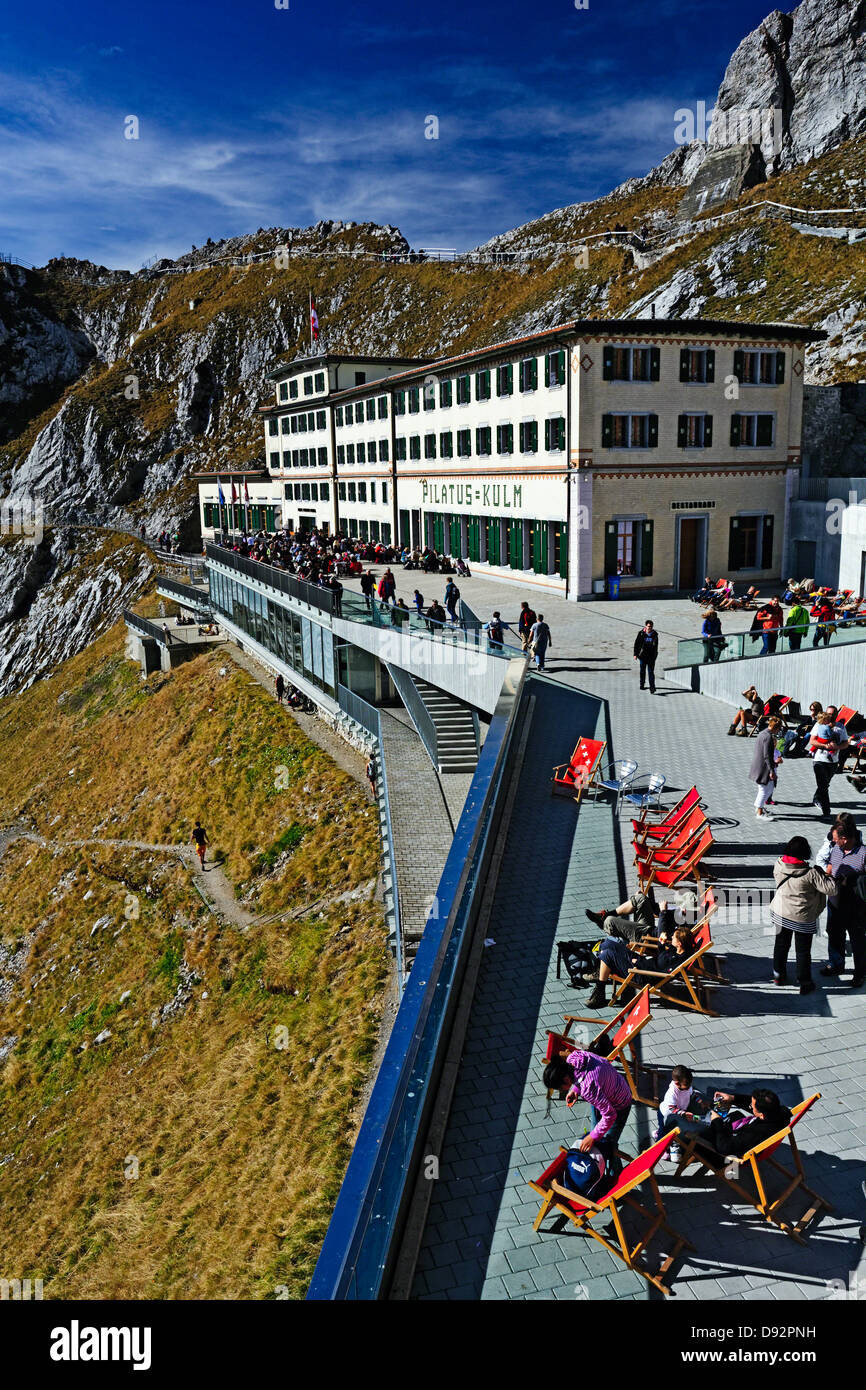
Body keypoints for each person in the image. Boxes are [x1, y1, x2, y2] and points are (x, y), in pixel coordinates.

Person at [770, 834, 837, 993]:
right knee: (802, 951)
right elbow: (831, 889)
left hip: (780, 913)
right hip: (802, 918)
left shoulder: (779, 863)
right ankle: (805, 982)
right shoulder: (810, 874)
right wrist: (827, 874)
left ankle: (778, 975)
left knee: (781, 945)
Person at [542, 1048, 633, 1152]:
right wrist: (576, 1089)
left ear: (566, 1079)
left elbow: (610, 1115)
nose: (560, 1090)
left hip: (620, 1103)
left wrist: (592, 1137)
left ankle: (614, 1166)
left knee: (608, 1146)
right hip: (613, 1085)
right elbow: (584, 1074)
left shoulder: (588, 1089)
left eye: (559, 1088)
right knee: (596, 1131)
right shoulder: (575, 1057)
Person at [816, 813, 866, 987]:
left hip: (856, 907)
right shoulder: (836, 849)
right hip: (835, 902)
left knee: (858, 940)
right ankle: (836, 965)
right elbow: (830, 866)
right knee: (835, 935)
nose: (833, 841)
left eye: (836, 839)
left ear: (844, 839)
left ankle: (860, 973)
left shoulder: (863, 853)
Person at [689, 1089, 792, 1167]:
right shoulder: (781, 1112)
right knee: (734, 1115)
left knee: (697, 1130)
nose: (750, 1106)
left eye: (752, 1106)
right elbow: (754, 1104)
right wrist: (733, 1098)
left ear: (761, 1115)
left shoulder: (755, 1133)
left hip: (726, 1156)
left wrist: (717, 1121)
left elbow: (724, 1148)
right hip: (742, 1133)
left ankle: (680, 1149)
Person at [653, 1065, 710, 1162]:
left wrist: (700, 1102)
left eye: (689, 1084)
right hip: (665, 1114)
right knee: (664, 1131)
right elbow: (671, 1108)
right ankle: (660, 1150)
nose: (688, 1087)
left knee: (669, 1128)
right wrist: (683, 1113)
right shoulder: (671, 1093)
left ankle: (658, 1132)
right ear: (677, 1083)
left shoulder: (687, 1087)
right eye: (686, 1085)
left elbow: (693, 1094)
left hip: (678, 1112)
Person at [809, 711, 842, 818]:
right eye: (829, 714)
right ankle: (826, 812)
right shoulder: (818, 725)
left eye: (832, 714)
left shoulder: (841, 727)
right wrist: (825, 746)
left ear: (836, 715)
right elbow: (812, 741)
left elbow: (845, 743)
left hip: (833, 762)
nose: (830, 716)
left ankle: (816, 798)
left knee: (825, 784)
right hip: (819, 760)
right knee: (823, 786)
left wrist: (836, 747)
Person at [750, 716, 782, 820]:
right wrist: (772, 770)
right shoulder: (768, 737)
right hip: (764, 768)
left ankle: (759, 807)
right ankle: (759, 812)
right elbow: (767, 756)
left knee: (768, 787)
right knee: (765, 789)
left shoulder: (762, 733)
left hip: (758, 765)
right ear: (776, 728)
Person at [633, 619, 658, 693]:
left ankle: (652, 688)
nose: (649, 628)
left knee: (651, 672)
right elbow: (636, 644)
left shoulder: (655, 635)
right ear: (645, 626)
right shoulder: (641, 634)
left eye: (651, 626)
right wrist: (635, 654)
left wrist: (655, 655)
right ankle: (642, 684)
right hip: (642, 656)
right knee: (642, 671)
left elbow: (656, 646)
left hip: (651, 657)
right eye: (648, 626)